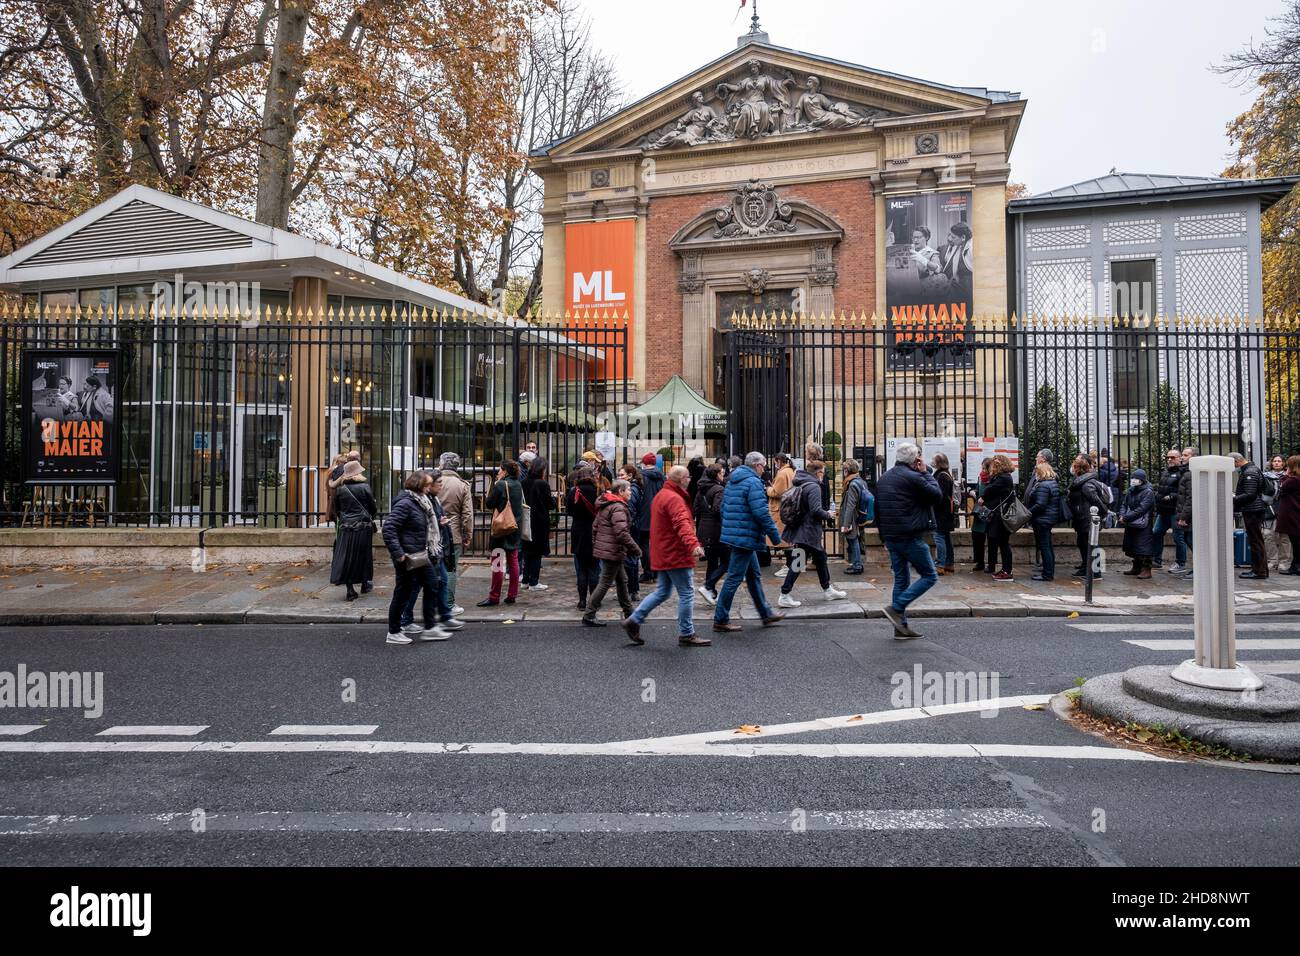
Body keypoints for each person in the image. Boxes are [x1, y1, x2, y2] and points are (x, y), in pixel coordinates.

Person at [623, 465, 708, 647]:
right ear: (680, 479)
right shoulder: (674, 499)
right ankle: (686, 633)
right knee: (686, 593)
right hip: (675, 552)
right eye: (687, 477)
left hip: (663, 551)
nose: (690, 479)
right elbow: (682, 523)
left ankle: (634, 619)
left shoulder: (662, 495)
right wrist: (693, 544)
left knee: (662, 591)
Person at [875, 441, 944, 639]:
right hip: (910, 536)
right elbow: (937, 496)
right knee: (930, 576)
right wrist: (925, 473)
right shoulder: (915, 477)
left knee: (901, 579)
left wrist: (883, 537)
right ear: (916, 460)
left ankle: (900, 628)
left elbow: (878, 511)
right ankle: (896, 608)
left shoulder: (884, 478)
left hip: (891, 536)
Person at [713, 451, 786, 633]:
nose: (764, 470)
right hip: (745, 537)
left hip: (737, 535)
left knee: (754, 576)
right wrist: (776, 537)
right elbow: (761, 513)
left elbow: (723, 508)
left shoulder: (732, 481)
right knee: (734, 578)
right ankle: (721, 619)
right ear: (758, 465)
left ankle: (765, 613)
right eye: (763, 466)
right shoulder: (753, 482)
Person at [383, 472, 454, 645]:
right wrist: (399, 553)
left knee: (432, 585)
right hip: (408, 557)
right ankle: (393, 631)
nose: (430, 488)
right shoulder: (406, 503)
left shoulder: (421, 502)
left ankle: (430, 628)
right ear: (419, 486)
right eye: (427, 485)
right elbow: (389, 528)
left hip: (421, 554)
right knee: (403, 592)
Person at [398, 469, 466, 637]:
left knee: (438, 582)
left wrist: (440, 523)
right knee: (419, 586)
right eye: (438, 483)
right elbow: (393, 528)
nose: (440, 486)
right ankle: (409, 622)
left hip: (433, 549)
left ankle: (441, 618)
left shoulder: (431, 499)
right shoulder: (412, 501)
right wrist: (399, 551)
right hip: (421, 551)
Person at [777, 459, 846, 607]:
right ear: (819, 472)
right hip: (808, 531)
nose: (824, 475)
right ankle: (784, 594)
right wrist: (828, 514)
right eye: (823, 472)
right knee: (799, 562)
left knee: (820, 557)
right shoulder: (814, 486)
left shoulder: (801, 482)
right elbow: (815, 510)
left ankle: (827, 589)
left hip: (801, 529)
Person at [583, 478, 642, 626]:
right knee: (605, 583)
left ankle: (629, 612)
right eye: (628, 490)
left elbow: (595, 526)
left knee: (622, 581)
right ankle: (589, 614)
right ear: (621, 492)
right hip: (613, 550)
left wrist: (597, 544)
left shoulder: (607, 504)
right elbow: (621, 533)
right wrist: (636, 549)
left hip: (610, 549)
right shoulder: (618, 507)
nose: (630, 492)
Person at [329, 458, 377, 601]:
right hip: (363, 527)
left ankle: (350, 590)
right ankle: (364, 583)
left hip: (346, 528)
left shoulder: (340, 490)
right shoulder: (364, 487)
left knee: (347, 557)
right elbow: (373, 509)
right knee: (364, 556)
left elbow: (337, 510)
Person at [478, 459, 524, 606]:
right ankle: (512, 595)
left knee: (497, 563)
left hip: (500, 529)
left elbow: (489, 503)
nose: (498, 472)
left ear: (505, 471)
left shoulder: (500, 485)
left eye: (499, 469)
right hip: (514, 526)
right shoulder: (518, 484)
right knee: (514, 561)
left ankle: (494, 596)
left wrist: (496, 484)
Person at [436, 452, 473, 615]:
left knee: (434, 569)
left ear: (442, 464)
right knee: (450, 569)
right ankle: (448, 604)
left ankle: (436, 602)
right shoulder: (462, 485)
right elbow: (467, 515)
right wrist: (467, 535)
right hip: (453, 533)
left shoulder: (432, 482)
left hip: (433, 532)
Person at [565, 463, 601, 610]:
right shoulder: (598, 490)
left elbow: (569, 511)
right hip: (595, 531)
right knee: (593, 569)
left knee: (581, 569)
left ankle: (581, 601)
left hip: (578, 531)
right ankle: (593, 601)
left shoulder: (574, 491)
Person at [1067, 454, 1110, 579]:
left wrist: (1104, 512)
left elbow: (1098, 502)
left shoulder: (1086, 484)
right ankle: (1086, 567)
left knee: (1093, 544)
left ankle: (1096, 572)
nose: (1072, 469)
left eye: (1074, 467)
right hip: (1081, 518)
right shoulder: (1079, 482)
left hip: (1088, 519)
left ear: (1078, 469)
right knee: (1083, 543)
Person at [694, 462, 729, 605]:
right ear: (716, 475)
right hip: (716, 529)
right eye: (721, 473)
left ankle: (711, 592)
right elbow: (717, 510)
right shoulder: (719, 489)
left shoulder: (701, 489)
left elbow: (695, 509)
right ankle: (708, 586)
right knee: (728, 561)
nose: (723, 475)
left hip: (703, 528)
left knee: (712, 562)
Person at [979, 455, 1017, 582]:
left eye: (995, 463)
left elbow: (991, 488)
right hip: (999, 515)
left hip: (1001, 517)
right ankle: (1005, 570)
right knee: (1002, 542)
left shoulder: (1003, 478)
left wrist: (983, 497)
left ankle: (1007, 571)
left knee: (1004, 543)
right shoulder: (1003, 477)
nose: (992, 466)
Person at [1232, 452, 1269, 580]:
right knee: (1257, 540)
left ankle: (1259, 571)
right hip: (1253, 509)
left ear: (1236, 461)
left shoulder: (1249, 472)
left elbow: (1250, 494)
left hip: (1253, 510)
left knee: (1255, 541)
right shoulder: (1251, 469)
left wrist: (1233, 498)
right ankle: (1261, 570)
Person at [520, 456, 553, 591]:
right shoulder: (542, 483)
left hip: (526, 520)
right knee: (537, 553)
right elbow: (550, 504)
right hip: (539, 521)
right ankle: (534, 582)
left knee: (527, 551)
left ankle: (525, 580)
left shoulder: (524, 481)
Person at [1026, 461, 1062, 582]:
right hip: (1049, 518)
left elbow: (1040, 504)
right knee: (1048, 546)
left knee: (1045, 546)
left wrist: (1029, 513)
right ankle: (1049, 570)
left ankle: (1047, 574)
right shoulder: (1052, 483)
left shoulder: (1043, 485)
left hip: (1042, 519)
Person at [1118, 468, 1156, 579]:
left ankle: (1146, 569)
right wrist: (1122, 515)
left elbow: (1142, 509)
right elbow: (1124, 504)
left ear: (1142, 480)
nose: (1134, 480)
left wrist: (1126, 517)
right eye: (1133, 478)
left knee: (1144, 547)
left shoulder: (1148, 492)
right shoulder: (1131, 490)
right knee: (1133, 546)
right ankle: (1136, 567)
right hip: (1131, 522)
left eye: (1136, 478)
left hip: (1142, 524)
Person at [1152, 449, 1185, 573]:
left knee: (1178, 538)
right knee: (1156, 532)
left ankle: (1180, 563)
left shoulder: (1182, 472)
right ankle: (1157, 560)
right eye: (1168, 457)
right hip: (1163, 510)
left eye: (1173, 457)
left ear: (1179, 458)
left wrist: (1172, 496)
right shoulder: (1165, 471)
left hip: (1175, 511)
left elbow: (1184, 491)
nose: (1170, 460)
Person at [839, 459, 872, 575]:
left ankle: (857, 565)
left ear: (847, 470)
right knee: (855, 540)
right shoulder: (861, 481)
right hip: (859, 515)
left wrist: (846, 524)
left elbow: (850, 505)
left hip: (852, 517)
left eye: (844, 469)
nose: (843, 472)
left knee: (853, 540)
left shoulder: (852, 484)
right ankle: (855, 563)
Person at [636, 453, 666, 583]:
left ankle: (648, 572)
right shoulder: (662, 477)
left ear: (644, 463)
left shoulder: (641, 476)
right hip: (659, 514)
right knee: (656, 545)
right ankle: (657, 572)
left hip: (644, 514)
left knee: (644, 545)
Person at [766, 452, 797, 579]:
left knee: (785, 540)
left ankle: (789, 566)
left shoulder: (782, 473)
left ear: (778, 460)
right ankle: (794, 566)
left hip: (780, 509)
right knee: (789, 539)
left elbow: (777, 492)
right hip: (788, 508)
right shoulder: (791, 471)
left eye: (775, 462)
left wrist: (767, 489)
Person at [620, 463, 646, 600]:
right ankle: (632, 590)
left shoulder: (632, 489)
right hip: (634, 526)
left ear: (630, 476)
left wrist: (626, 524)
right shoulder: (635, 487)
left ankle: (632, 590)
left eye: (622, 475)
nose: (620, 477)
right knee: (632, 559)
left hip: (632, 527)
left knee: (631, 559)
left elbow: (630, 510)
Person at [1264, 454, 1292, 574]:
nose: (1276, 463)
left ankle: (1284, 562)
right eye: (1274, 461)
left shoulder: (1288, 477)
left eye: (1279, 461)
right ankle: (1272, 560)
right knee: (1268, 535)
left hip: (1284, 510)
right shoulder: (1265, 476)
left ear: (1283, 463)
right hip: (1269, 510)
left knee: (1284, 537)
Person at [1173, 447, 1197, 578]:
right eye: (1182, 455)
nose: (1182, 457)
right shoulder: (1186, 472)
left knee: (1192, 541)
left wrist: (1184, 517)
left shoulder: (1191, 474)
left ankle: (1199, 569)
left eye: (1186, 455)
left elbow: (1190, 497)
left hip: (1190, 516)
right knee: (1189, 540)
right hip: (1188, 514)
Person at [931, 452, 957, 574]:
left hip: (941, 512)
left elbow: (939, 495)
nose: (932, 462)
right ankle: (949, 564)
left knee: (939, 537)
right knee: (946, 537)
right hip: (946, 512)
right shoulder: (946, 474)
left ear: (938, 463)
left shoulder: (941, 476)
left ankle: (940, 565)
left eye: (934, 460)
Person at [1276, 455, 1300, 576]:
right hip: (1295, 514)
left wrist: (1286, 474)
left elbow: (1282, 485)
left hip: (1293, 515)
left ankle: (1297, 567)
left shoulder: (1293, 479)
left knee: (1296, 542)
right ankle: (1294, 566)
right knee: (1295, 541)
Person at [970, 458, 991, 571]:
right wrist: (974, 492)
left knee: (990, 538)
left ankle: (990, 563)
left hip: (988, 511)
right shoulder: (980, 478)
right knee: (976, 536)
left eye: (984, 468)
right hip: (979, 511)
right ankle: (979, 561)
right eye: (982, 468)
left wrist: (983, 496)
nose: (982, 470)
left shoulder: (993, 479)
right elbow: (978, 490)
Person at [324, 452, 348, 524]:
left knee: (337, 523)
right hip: (338, 500)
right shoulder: (337, 472)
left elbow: (328, 488)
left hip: (333, 499)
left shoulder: (330, 472)